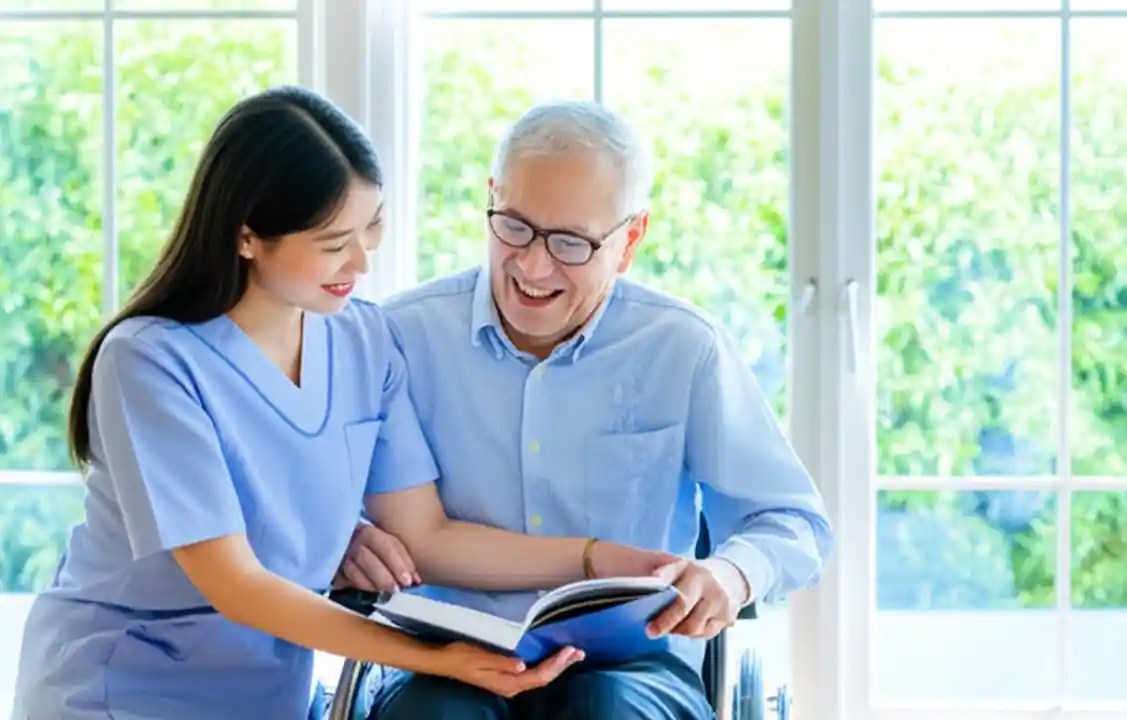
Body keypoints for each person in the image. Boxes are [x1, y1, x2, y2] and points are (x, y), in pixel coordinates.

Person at [9, 86, 675, 720]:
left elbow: (428, 536)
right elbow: (235, 583)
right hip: (122, 689)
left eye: (372, 227)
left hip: (268, 696)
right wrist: (436, 659)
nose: (361, 262)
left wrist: (597, 559)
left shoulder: (363, 342)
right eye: (333, 244)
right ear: (247, 236)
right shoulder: (151, 361)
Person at [347, 100, 834, 720]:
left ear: (629, 240)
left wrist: (732, 575)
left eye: (571, 242)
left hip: (630, 667)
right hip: (443, 657)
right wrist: (346, 535)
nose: (532, 265)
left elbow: (795, 522)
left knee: (605, 711)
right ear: (491, 197)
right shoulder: (401, 335)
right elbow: (318, 494)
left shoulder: (681, 346)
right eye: (514, 226)